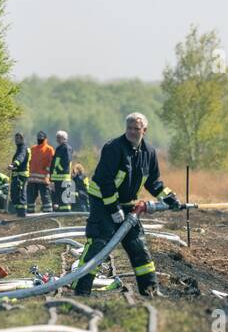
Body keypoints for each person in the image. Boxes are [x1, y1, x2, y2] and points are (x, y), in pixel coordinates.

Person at [73, 112, 181, 297]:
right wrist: (113, 208)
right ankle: (82, 290)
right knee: (99, 244)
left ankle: (150, 291)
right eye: (129, 128)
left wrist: (169, 197)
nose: (132, 131)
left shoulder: (149, 153)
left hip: (127, 205)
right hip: (102, 202)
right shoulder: (113, 148)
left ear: (144, 131)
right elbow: (106, 181)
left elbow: (153, 182)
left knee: (138, 245)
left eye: (136, 128)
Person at [26, 130, 54, 213]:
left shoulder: (49, 149)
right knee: (30, 198)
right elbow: (29, 162)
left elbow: (51, 162)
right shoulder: (33, 149)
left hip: (43, 179)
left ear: (45, 139)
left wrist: (47, 171)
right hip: (32, 179)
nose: (40, 140)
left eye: (41, 139)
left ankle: (48, 214)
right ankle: (30, 214)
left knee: (45, 197)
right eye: (39, 138)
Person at [50, 130, 74, 211]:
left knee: (65, 197)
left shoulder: (67, 148)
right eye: (57, 138)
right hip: (57, 178)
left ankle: (66, 214)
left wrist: (58, 168)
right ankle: (60, 212)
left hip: (64, 177)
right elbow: (53, 163)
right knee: (58, 197)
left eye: (59, 138)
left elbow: (66, 162)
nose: (57, 139)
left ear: (64, 138)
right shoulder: (58, 148)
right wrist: (51, 176)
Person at [9, 132, 29, 217]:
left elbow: (20, 157)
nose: (16, 140)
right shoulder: (19, 148)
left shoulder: (23, 148)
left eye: (17, 139)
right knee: (15, 193)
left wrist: (14, 164)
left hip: (21, 175)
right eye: (15, 139)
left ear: (22, 139)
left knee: (20, 194)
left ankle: (22, 213)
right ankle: (18, 212)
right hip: (17, 175)